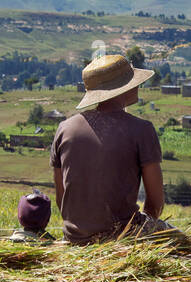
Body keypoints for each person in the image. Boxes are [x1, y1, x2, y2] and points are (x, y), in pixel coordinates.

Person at [50, 54, 169, 244]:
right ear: (123, 88)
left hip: (74, 237)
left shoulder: (65, 128)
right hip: (123, 236)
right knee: (177, 238)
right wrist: (140, 235)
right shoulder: (142, 130)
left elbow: (61, 197)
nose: (138, 85)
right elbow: (155, 203)